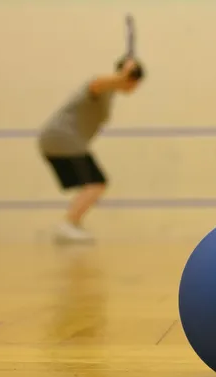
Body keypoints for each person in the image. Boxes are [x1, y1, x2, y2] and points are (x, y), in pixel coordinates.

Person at [37, 57, 145, 243]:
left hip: (56, 140)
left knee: (92, 184)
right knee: (97, 183)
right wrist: (122, 75)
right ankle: (68, 225)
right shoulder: (102, 87)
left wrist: (121, 77)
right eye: (135, 81)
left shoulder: (110, 93)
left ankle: (72, 225)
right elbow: (96, 83)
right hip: (62, 138)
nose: (135, 87)